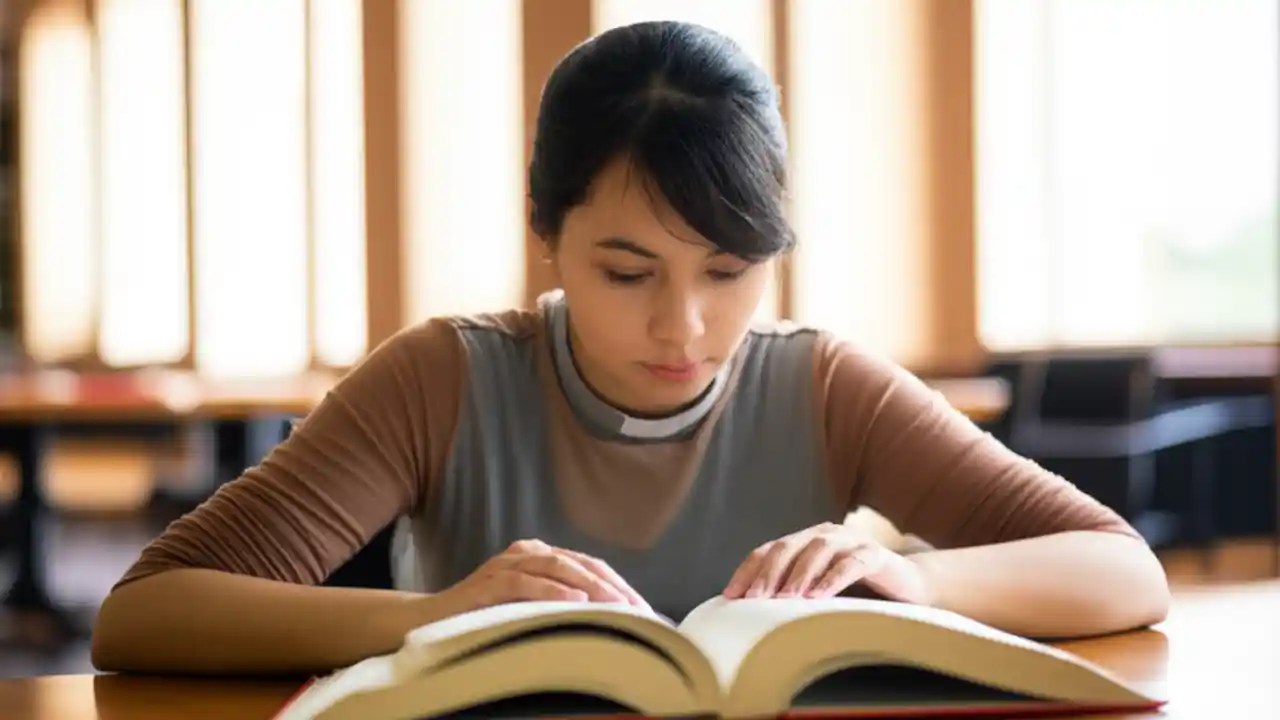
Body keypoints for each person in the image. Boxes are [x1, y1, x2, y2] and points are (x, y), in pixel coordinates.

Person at [91, 20, 1169, 676]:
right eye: (626, 270)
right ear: (546, 237)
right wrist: (434, 617)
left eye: (727, 269)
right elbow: (145, 613)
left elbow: (1122, 572)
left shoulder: (822, 383)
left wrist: (909, 583)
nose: (684, 326)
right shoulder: (442, 377)